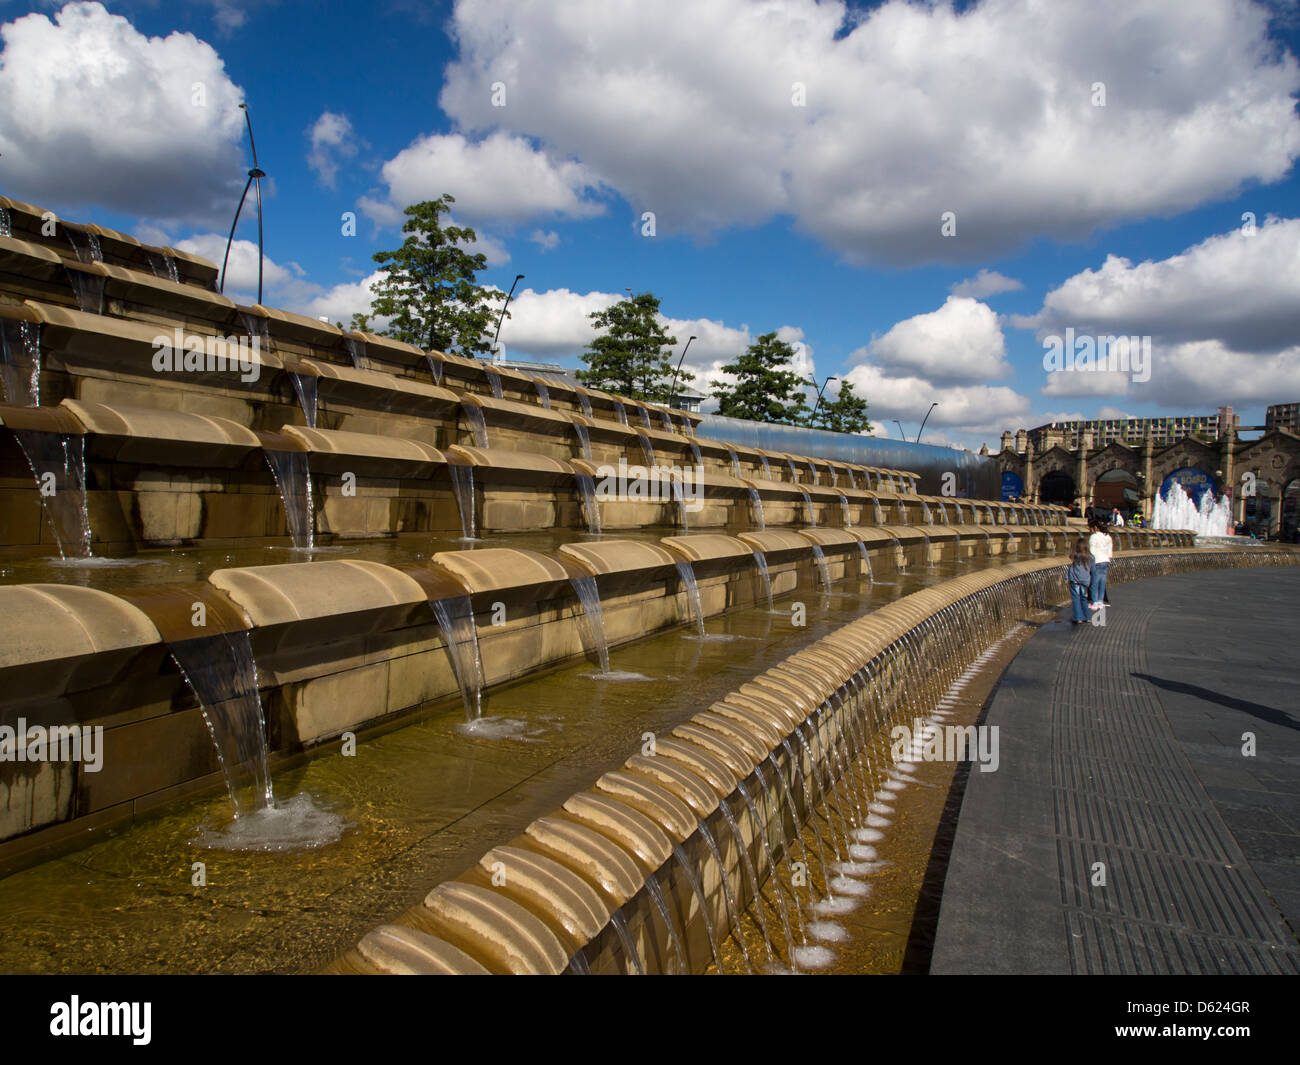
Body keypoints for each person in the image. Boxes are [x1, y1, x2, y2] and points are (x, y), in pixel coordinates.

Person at [1066, 537, 1093, 624]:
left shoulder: (1076, 556)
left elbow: (1070, 556)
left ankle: (1078, 618)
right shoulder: (1091, 557)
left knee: (1076, 598)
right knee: (1084, 598)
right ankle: (1087, 617)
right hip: (1085, 581)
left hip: (1075, 580)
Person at [1088, 519, 1113, 613]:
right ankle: (1100, 601)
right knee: (1102, 582)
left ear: (1095, 528)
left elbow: (1092, 551)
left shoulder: (1093, 537)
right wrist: (1109, 557)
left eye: (1090, 528)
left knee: (1094, 582)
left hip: (1097, 561)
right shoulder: (1108, 537)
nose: (1089, 530)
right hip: (1106, 560)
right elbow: (1110, 549)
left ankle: (1094, 602)